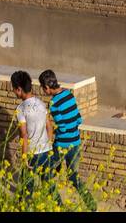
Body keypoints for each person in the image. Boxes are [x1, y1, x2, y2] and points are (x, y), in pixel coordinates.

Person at [38, 70, 97, 211]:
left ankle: (59, 206)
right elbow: (78, 119)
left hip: (62, 145)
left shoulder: (53, 103)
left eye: (42, 88)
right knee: (73, 177)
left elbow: (62, 128)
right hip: (75, 143)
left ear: (46, 87)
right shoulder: (69, 94)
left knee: (45, 173)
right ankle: (92, 205)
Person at [10, 70, 52, 193]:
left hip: (32, 153)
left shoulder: (21, 109)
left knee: (27, 188)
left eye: (13, 88)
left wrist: (24, 157)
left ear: (18, 89)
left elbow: (24, 134)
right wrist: (48, 146)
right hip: (45, 151)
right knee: (49, 186)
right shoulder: (40, 103)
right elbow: (49, 127)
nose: (13, 91)